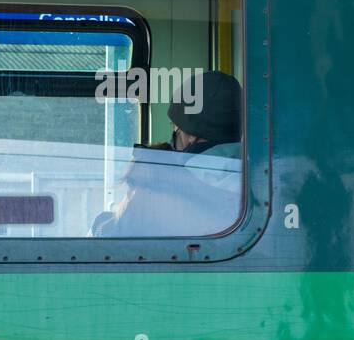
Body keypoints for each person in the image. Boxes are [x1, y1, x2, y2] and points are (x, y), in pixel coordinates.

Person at [93, 71, 243, 237]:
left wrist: (100, 223)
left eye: (175, 127)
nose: (173, 133)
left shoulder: (162, 185)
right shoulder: (258, 178)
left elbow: (111, 239)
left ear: (192, 135)